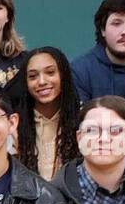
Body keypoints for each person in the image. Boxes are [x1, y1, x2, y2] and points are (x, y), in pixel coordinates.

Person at [11, 46, 82, 179]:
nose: (42, 82)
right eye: (33, 76)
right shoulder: (15, 126)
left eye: (50, 73)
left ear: (63, 75)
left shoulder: (82, 121)